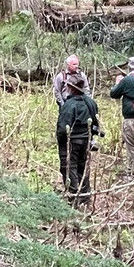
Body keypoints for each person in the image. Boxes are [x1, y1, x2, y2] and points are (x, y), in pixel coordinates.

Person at [56, 75, 102, 206]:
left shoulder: (69, 105)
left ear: (70, 88)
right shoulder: (91, 103)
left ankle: (73, 197)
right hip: (87, 141)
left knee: (70, 167)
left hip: (71, 142)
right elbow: (95, 123)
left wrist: (61, 144)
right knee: (83, 167)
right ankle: (85, 196)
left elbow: (62, 129)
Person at [109, 56, 134, 179]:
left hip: (132, 119)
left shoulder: (128, 80)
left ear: (129, 66)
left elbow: (114, 94)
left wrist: (118, 83)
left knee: (133, 147)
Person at [51, 55, 88, 182]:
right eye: (74, 64)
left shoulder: (82, 76)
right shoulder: (61, 76)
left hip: (81, 108)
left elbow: (87, 89)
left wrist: (85, 102)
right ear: (68, 65)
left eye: (77, 64)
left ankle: (75, 188)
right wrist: (63, 105)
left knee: (76, 162)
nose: (76, 67)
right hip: (66, 107)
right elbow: (57, 91)